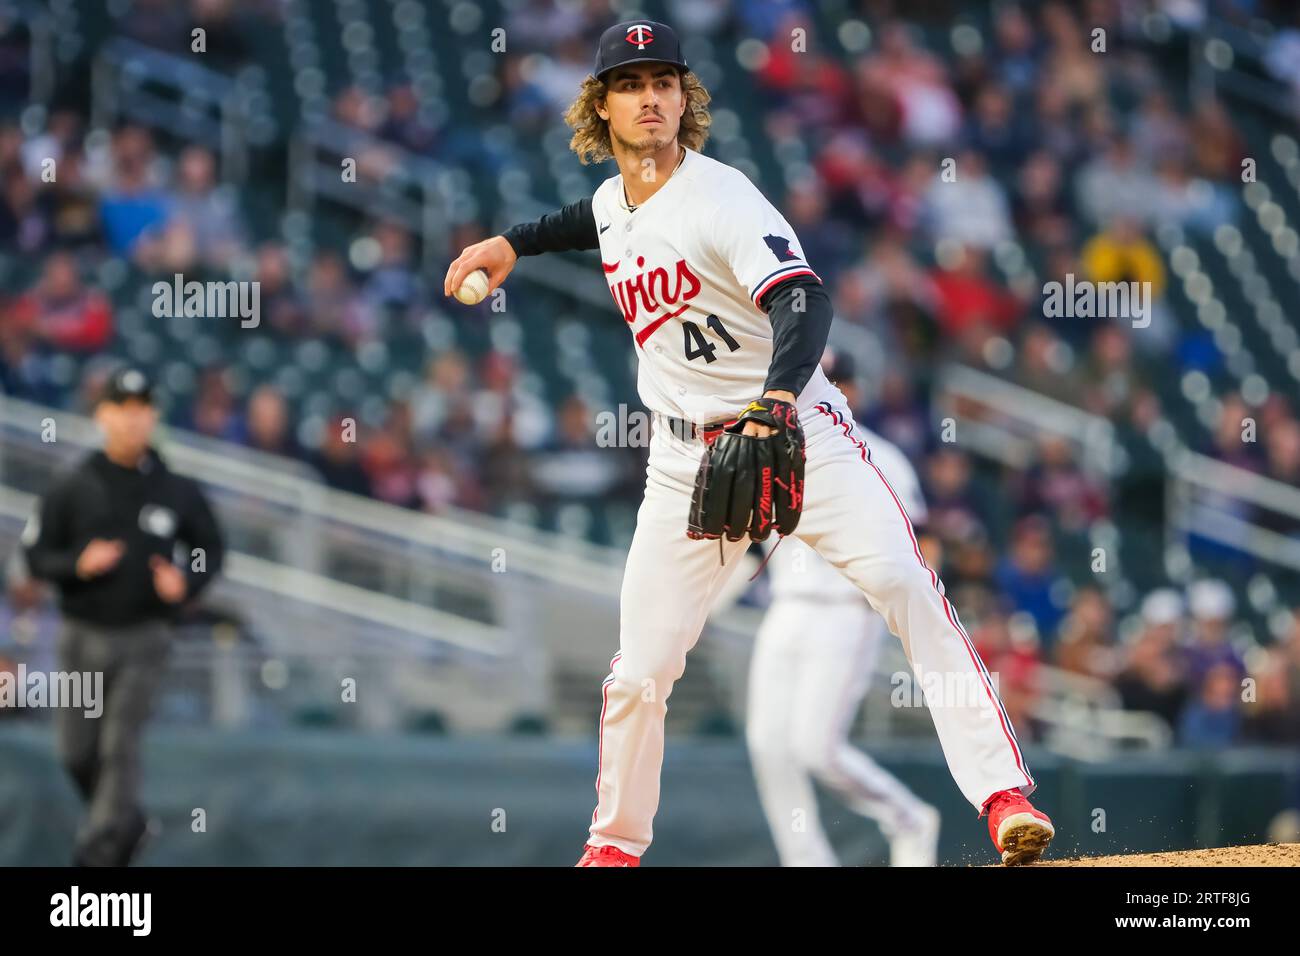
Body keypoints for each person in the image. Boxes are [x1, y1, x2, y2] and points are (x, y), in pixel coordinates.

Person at [444, 20, 1052, 866]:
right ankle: (614, 848)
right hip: (684, 458)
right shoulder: (620, 202)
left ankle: (1000, 796)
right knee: (639, 672)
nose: (650, 95)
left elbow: (804, 300)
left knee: (903, 581)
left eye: (665, 81)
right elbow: (594, 218)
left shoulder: (722, 195)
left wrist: (772, 401)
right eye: (631, 83)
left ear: (684, 99)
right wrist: (513, 242)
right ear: (602, 107)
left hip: (797, 429)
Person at [744, 349, 941, 866]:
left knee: (816, 748)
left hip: (846, 609)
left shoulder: (880, 455)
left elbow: (920, 547)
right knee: (767, 744)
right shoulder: (769, 446)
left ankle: (909, 819)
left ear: (847, 389)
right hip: (785, 606)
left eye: (829, 379)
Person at [22, 367, 225, 866]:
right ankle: (127, 823)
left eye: (143, 410)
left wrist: (186, 581)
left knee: (119, 744)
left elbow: (211, 549)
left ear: (154, 416)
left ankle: (98, 855)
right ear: (103, 415)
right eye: (123, 410)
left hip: (144, 636)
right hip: (83, 635)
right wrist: (76, 563)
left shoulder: (175, 488)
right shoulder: (73, 484)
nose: (133, 421)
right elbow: (36, 555)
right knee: (76, 750)